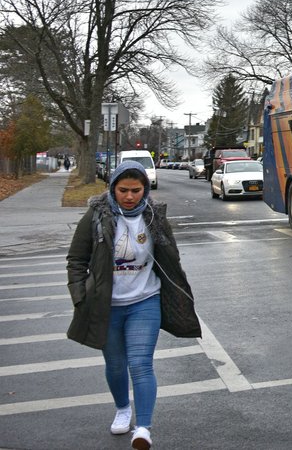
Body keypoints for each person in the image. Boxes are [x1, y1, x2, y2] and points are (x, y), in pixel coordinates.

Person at [66, 160, 201, 450]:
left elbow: (170, 256)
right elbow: (76, 260)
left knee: (140, 364)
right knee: (115, 365)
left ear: (145, 189)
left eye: (136, 190)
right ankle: (122, 409)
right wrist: (80, 297)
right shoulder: (96, 215)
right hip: (107, 305)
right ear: (113, 188)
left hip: (145, 301)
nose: (129, 196)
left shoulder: (154, 216)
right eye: (123, 190)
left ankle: (143, 428)